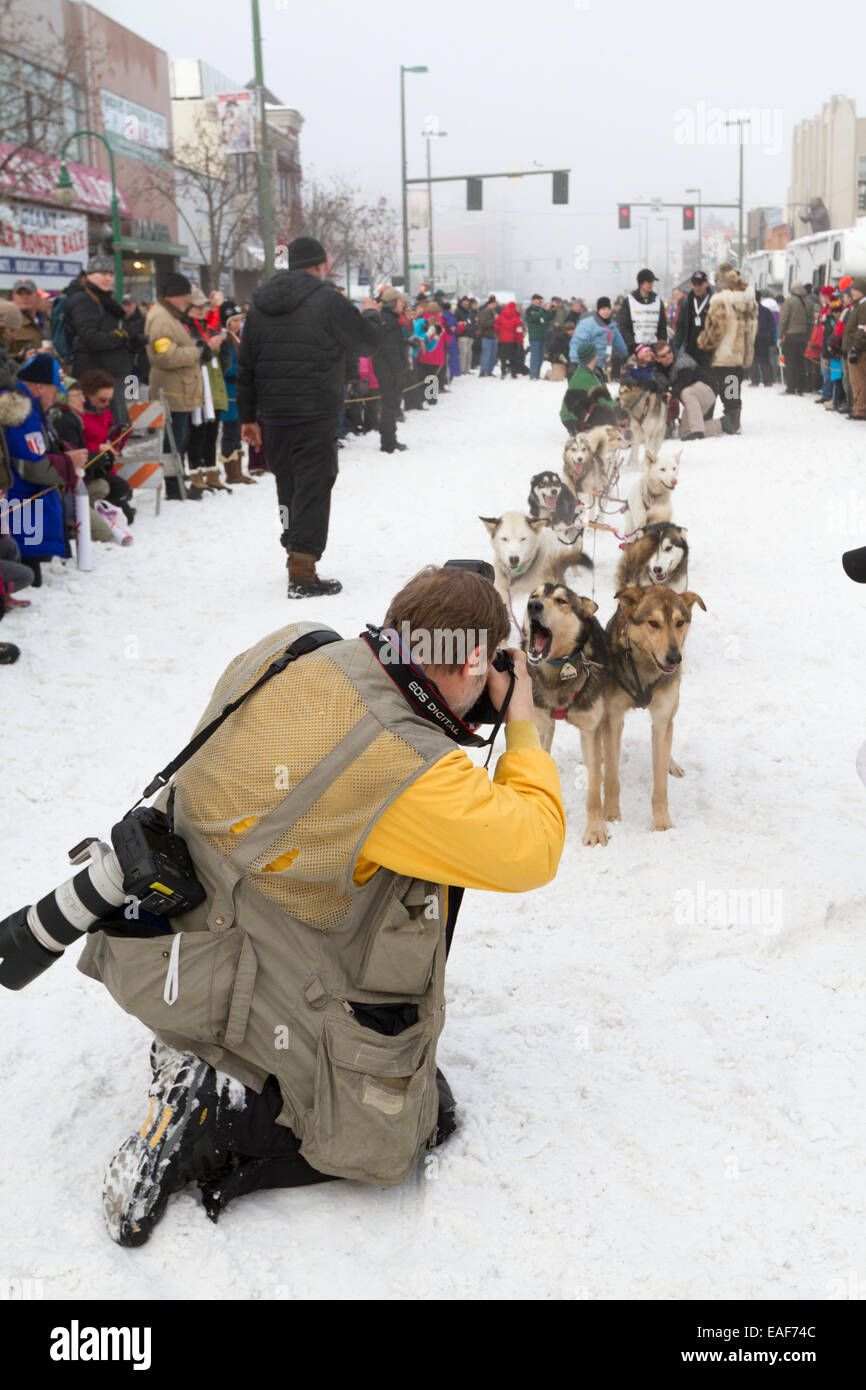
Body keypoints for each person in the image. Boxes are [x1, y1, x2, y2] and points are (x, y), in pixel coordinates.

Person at [77, 563, 565, 1245]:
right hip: (256, 967)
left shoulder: (297, 644)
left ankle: (204, 1046)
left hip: (177, 932)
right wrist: (519, 721)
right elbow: (535, 847)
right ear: (475, 662)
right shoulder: (410, 769)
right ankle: (221, 1110)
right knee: (419, 1122)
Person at [237, 235, 382, 598]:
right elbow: (369, 343)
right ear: (320, 264)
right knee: (315, 485)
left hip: (273, 413)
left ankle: (292, 547)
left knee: (287, 482)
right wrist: (370, 313)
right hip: (315, 410)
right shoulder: (328, 300)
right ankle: (303, 570)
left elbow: (246, 365)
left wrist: (248, 417)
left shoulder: (259, 305)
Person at [145, 273, 208, 493]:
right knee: (173, 442)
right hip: (172, 389)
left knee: (179, 440)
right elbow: (165, 356)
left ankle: (177, 481)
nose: (187, 300)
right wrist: (196, 351)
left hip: (179, 387)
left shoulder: (170, 316)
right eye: (183, 295)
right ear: (171, 295)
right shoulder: (161, 319)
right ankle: (174, 486)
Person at [63, 256, 138, 426]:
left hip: (109, 375)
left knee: (118, 427)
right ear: (89, 274)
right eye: (103, 273)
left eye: (111, 274)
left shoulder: (102, 299)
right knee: (106, 430)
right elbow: (90, 338)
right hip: (96, 378)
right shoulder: (83, 299)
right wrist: (120, 336)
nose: (108, 278)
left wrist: (133, 338)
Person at [696, 264, 756, 433]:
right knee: (733, 385)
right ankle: (734, 419)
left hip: (724, 350)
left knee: (715, 384)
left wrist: (703, 341)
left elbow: (717, 327)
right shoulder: (747, 297)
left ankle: (719, 419)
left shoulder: (721, 298)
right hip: (741, 351)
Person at [650, 339, 723, 439]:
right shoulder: (658, 368)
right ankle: (723, 423)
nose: (668, 355)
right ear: (657, 359)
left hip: (707, 390)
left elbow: (685, 381)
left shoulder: (681, 360)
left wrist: (671, 392)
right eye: (664, 355)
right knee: (685, 433)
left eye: (669, 352)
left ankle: (697, 431)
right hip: (693, 401)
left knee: (685, 391)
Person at [373, 287, 408, 453]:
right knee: (390, 406)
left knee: (390, 405)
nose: (403, 305)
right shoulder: (390, 321)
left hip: (385, 368)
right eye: (401, 301)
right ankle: (388, 442)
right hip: (389, 370)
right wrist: (399, 372)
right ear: (393, 301)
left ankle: (389, 439)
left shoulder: (388, 319)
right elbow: (391, 350)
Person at [560, 340, 620, 434]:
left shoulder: (595, 372)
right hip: (572, 419)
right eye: (595, 352)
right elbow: (601, 399)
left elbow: (605, 396)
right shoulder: (584, 377)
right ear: (591, 357)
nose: (598, 354)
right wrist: (619, 411)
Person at [570, 297, 627, 377]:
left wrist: (626, 356)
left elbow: (619, 344)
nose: (606, 312)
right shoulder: (588, 324)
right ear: (598, 310)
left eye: (608, 309)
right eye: (603, 309)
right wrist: (575, 361)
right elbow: (577, 342)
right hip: (588, 364)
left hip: (603, 366)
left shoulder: (612, 327)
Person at [616, 270, 667, 356]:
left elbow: (662, 326)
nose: (651, 284)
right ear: (641, 283)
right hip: (635, 350)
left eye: (652, 282)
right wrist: (634, 346)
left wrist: (661, 346)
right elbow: (624, 327)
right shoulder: (629, 301)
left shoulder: (658, 300)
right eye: (648, 282)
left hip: (654, 349)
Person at [777, 281, 813, 396]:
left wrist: (780, 336)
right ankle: (801, 388)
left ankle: (791, 387)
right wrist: (808, 336)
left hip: (791, 336)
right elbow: (811, 322)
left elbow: (783, 320)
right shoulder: (809, 302)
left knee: (790, 361)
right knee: (801, 362)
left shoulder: (789, 301)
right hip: (803, 336)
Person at [672, 271, 713, 364]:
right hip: (691, 349)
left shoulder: (714, 301)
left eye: (700, 284)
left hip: (709, 351)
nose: (697, 288)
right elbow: (680, 327)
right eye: (694, 284)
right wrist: (675, 349)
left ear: (706, 283)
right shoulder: (686, 303)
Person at [841, 277, 866, 420]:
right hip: (854, 347)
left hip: (859, 349)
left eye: (856, 290)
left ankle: (861, 409)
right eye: (852, 290)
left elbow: (863, 328)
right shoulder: (858, 305)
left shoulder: (863, 306)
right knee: (855, 381)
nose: (853, 292)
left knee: (859, 381)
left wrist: (856, 347)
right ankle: (858, 407)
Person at [7, 278, 49, 361]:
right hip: (20, 372)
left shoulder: (47, 321)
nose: (24, 297)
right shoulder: (7, 323)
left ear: (36, 296)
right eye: (20, 294)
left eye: (28, 293)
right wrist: (22, 358)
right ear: (13, 297)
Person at [122, 296, 150, 396]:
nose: (126, 308)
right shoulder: (119, 321)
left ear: (134, 305)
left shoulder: (143, 321)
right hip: (126, 366)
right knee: (130, 396)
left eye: (129, 305)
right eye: (124, 305)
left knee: (137, 395)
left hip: (140, 365)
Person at [525, 295, 552, 379]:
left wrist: (553, 310)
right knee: (535, 356)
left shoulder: (542, 310)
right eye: (538, 300)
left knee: (541, 357)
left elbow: (550, 317)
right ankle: (533, 374)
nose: (540, 301)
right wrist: (544, 310)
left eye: (541, 300)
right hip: (535, 336)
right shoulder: (530, 310)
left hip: (543, 336)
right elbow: (534, 318)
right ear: (533, 300)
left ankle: (537, 373)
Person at [494, 301, 523, 379]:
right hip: (512, 340)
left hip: (502, 340)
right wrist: (520, 341)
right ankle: (513, 373)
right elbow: (519, 331)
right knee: (512, 357)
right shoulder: (517, 318)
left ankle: (503, 372)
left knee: (503, 357)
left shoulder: (501, 316)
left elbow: (496, 328)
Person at [454, 294, 476, 375]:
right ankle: (461, 369)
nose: (466, 303)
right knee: (463, 352)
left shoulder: (469, 311)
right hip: (462, 334)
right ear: (462, 302)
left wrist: (473, 328)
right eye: (465, 301)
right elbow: (456, 322)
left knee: (469, 353)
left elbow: (472, 321)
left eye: (467, 301)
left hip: (470, 334)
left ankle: (467, 369)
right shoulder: (458, 311)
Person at [478, 295, 499, 376]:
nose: (495, 306)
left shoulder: (494, 312)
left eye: (495, 304)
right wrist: (494, 320)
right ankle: (483, 371)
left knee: (493, 356)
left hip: (494, 336)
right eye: (493, 304)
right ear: (488, 304)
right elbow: (484, 323)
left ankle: (489, 370)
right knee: (486, 355)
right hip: (486, 336)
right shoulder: (484, 312)